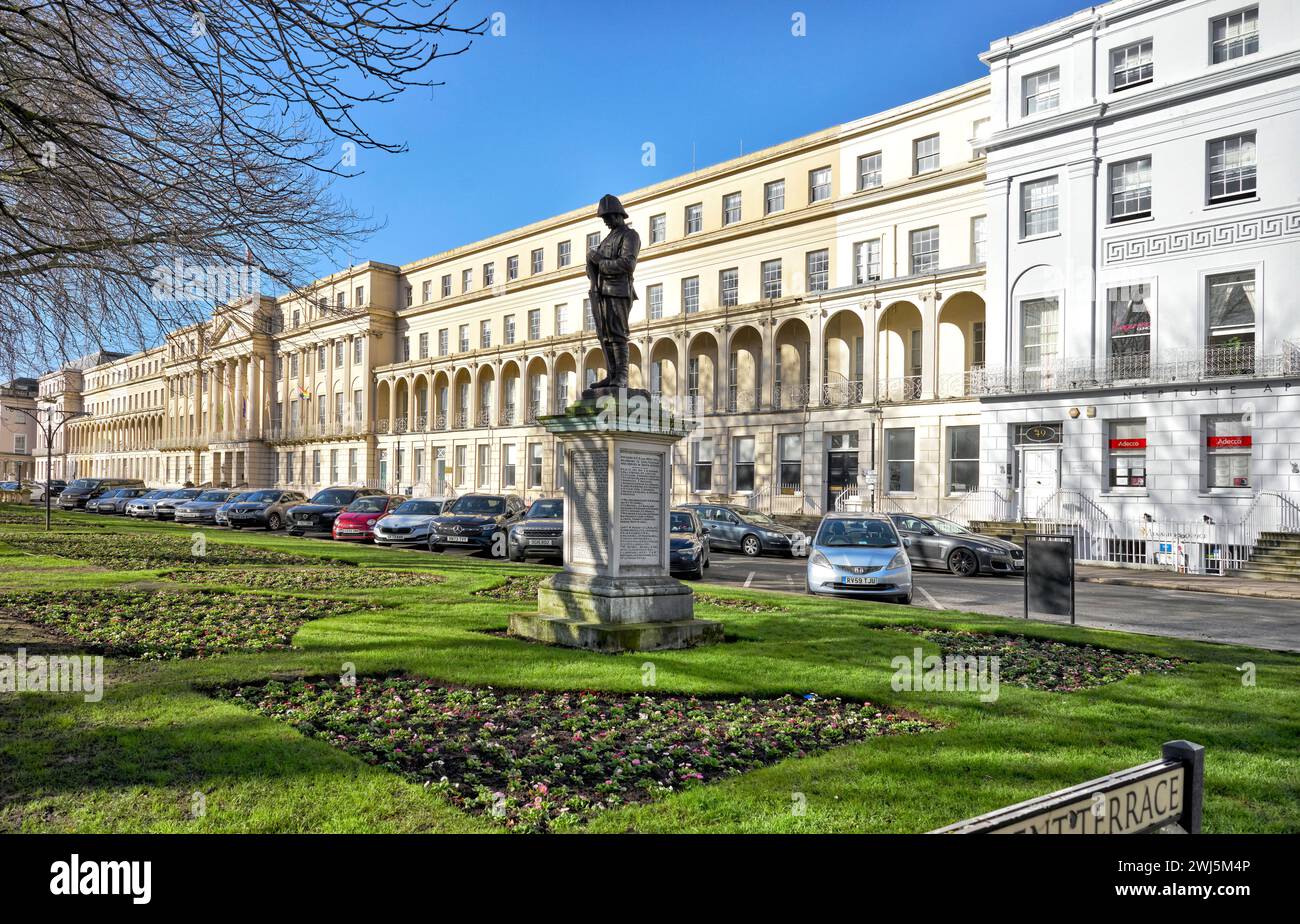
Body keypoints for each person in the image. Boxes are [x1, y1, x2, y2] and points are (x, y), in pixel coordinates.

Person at [584, 194, 641, 394]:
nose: (606, 222)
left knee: (618, 334)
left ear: (617, 214)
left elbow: (628, 264)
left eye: (607, 217)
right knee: (605, 335)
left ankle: (621, 377)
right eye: (604, 218)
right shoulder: (607, 238)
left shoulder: (630, 235)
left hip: (619, 291)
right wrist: (591, 262)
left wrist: (600, 261)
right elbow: (596, 267)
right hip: (602, 292)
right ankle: (612, 374)